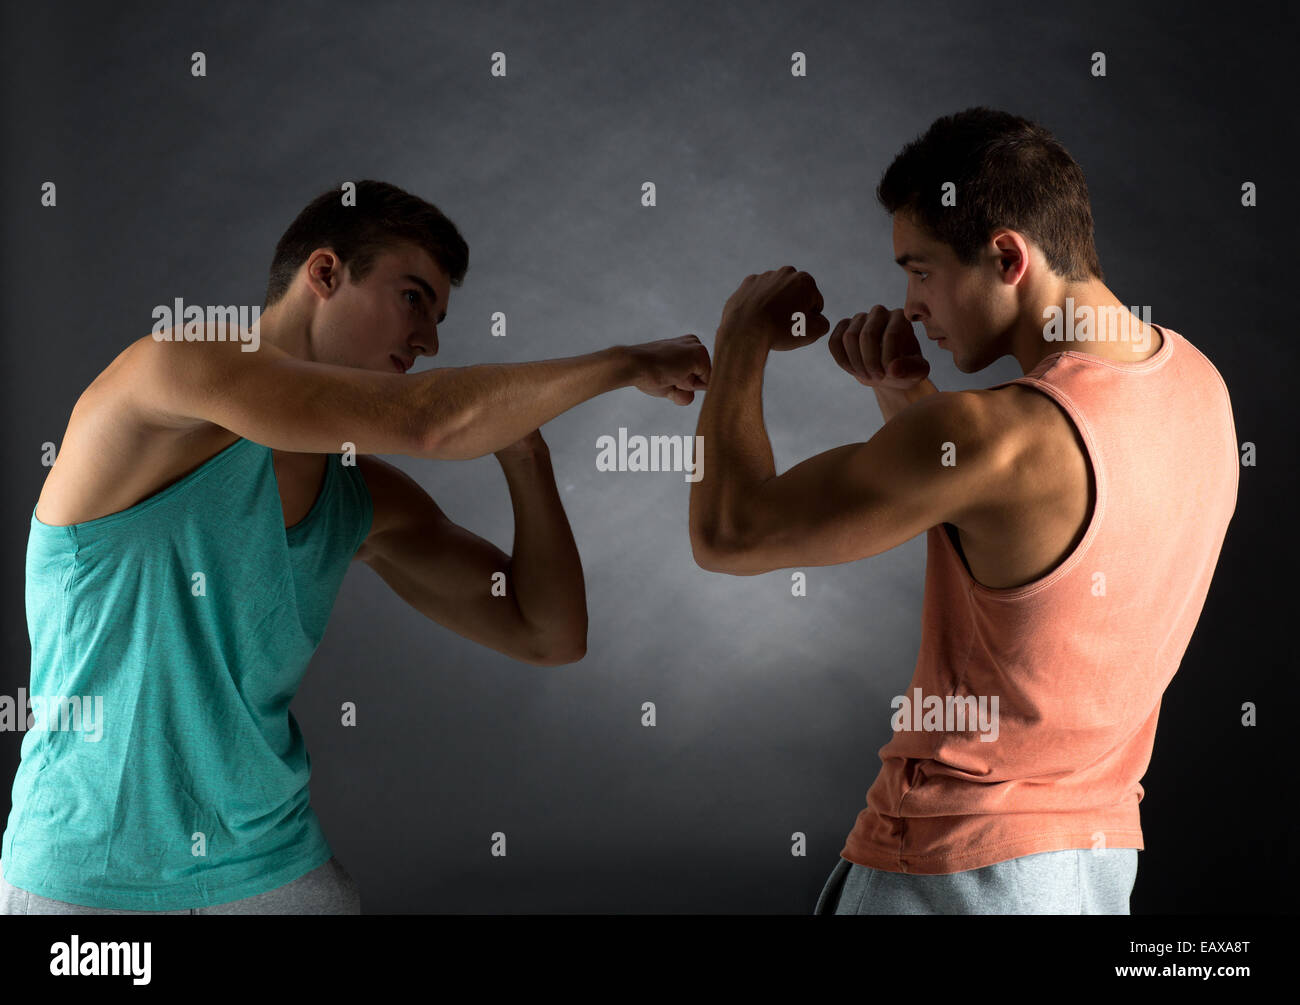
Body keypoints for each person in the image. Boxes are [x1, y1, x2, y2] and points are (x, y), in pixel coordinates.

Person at [0, 179, 710, 915]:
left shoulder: (359, 498)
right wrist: (624, 362)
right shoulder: (165, 376)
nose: (429, 338)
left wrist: (522, 449)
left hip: (272, 871)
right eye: (412, 297)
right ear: (326, 273)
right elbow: (427, 423)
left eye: (438, 316)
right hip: (86, 878)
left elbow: (549, 631)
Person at [688, 107, 1238, 914]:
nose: (909, 303)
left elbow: (726, 532)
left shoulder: (996, 438)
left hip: (948, 868)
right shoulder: (1200, 385)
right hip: (1091, 869)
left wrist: (740, 335)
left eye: (920, 269)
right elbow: (1017, 537)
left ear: (1008, 255)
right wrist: (904, 394)